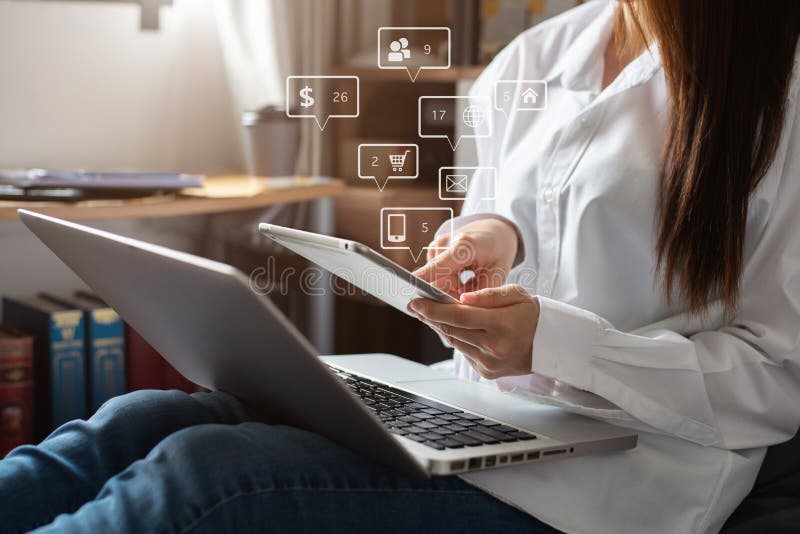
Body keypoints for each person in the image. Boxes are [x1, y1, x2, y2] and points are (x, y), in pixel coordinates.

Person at [1, 1, 798, 532]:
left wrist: (550, 343)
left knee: (207, 477)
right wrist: (490, 233)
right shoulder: (538, 54)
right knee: (136, 420)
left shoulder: (778, 85)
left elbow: (778, 378)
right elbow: (522, 209)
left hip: (624, 478)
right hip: (479, 412)